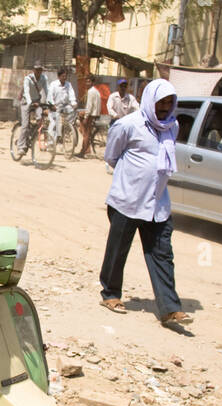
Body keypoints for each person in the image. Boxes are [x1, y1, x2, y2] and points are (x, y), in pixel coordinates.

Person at [99, 78, 191, 326]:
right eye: (161, 103)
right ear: (151, 101)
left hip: (158, 204)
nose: (165, 108)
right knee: (118, 250)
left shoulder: (172, 126)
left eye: (170, 103)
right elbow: (112, 156)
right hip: (127, 199)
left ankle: (170, 308)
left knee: (162, 254)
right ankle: (110, 294)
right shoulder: (128, 125)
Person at [19, 61, 50, 153]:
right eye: (37, 69)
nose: (39, 71)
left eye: (40, 70)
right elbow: (27, 92)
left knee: (40, 120)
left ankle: (32, 135)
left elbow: (47, 91)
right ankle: (21, 146)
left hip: (37, 101)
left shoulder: (44, 78)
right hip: (26, 102)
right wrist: (30, 102)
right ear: (33, 70)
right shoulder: (28, 79)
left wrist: (50, 103)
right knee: (25, 125)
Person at [49, 66, 77, 143]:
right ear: (59, 76)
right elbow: (50, 96)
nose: (65, 78)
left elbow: (71, 95)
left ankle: (66, 128)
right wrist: (52, 105)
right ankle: (51, 143)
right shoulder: (53, 85)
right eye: (63, 76)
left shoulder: (68, 84)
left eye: (66, 76)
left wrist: (74, 103)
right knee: (54, 123)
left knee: (73, 111)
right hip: (55, 106)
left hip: (65, 106)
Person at [78, 77, 103, 157]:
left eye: (89, 82)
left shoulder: (91, 92)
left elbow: (89, 106)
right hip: (95, 114)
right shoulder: (96, 91)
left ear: (92, 83)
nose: (87, 83)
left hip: (91, 115)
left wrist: (86, 117)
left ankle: (83, 151)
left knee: (86, 134)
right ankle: (87, 148)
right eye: (86, 82)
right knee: (84, 131)